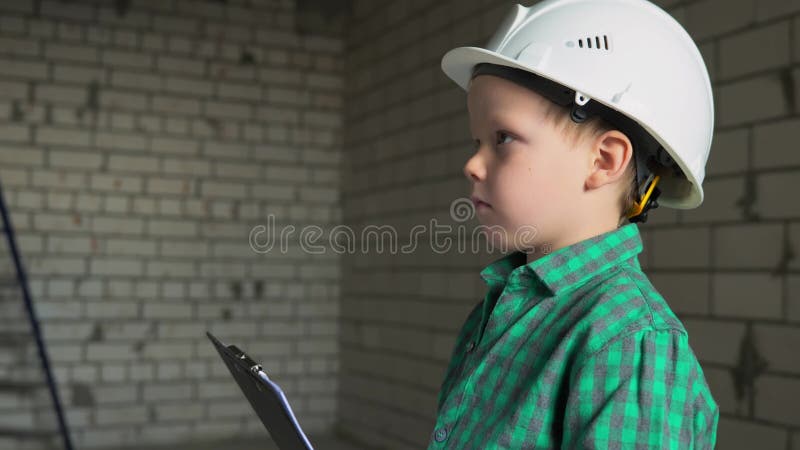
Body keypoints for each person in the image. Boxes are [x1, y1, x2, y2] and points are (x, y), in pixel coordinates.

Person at [429, 0, 719, 448]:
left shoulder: (630, 344)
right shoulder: (500, 311)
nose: (472, 164)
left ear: (603, 160)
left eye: (502, 138)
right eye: (477, 141)